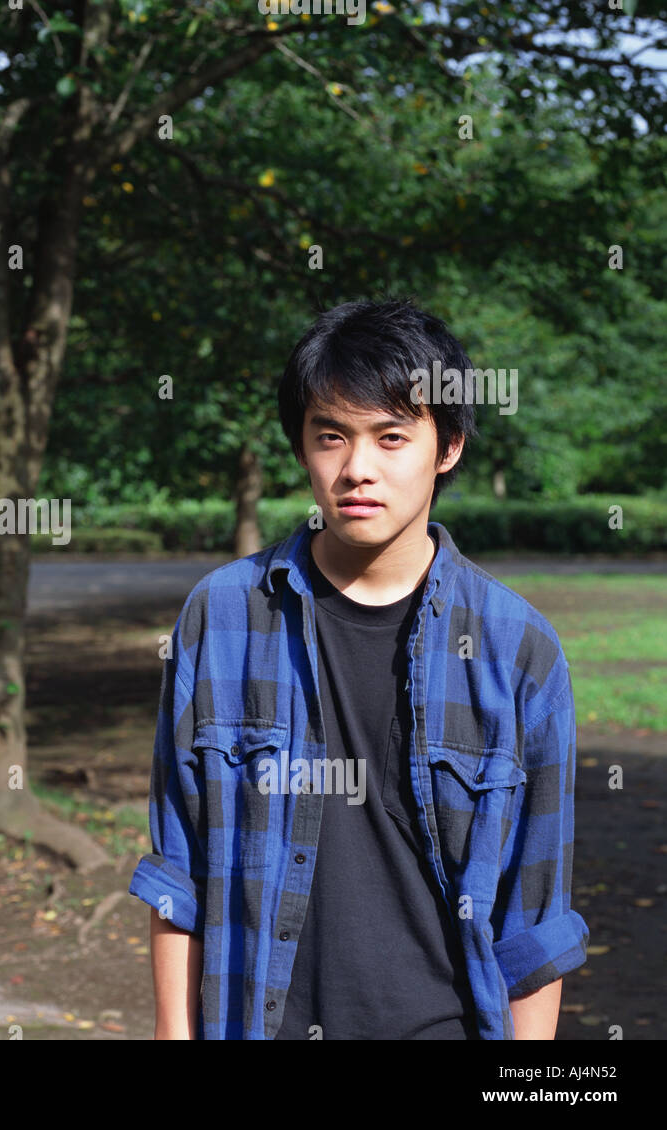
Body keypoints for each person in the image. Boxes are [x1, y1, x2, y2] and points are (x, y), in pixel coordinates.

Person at [130, 299, 588, 1040]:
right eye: (331, 436)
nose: (357, 470)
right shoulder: (222, 617)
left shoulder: (517, 648)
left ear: (449, 447)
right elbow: (179, 874)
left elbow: (535, 922)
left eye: (392, 437)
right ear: (302, 447)